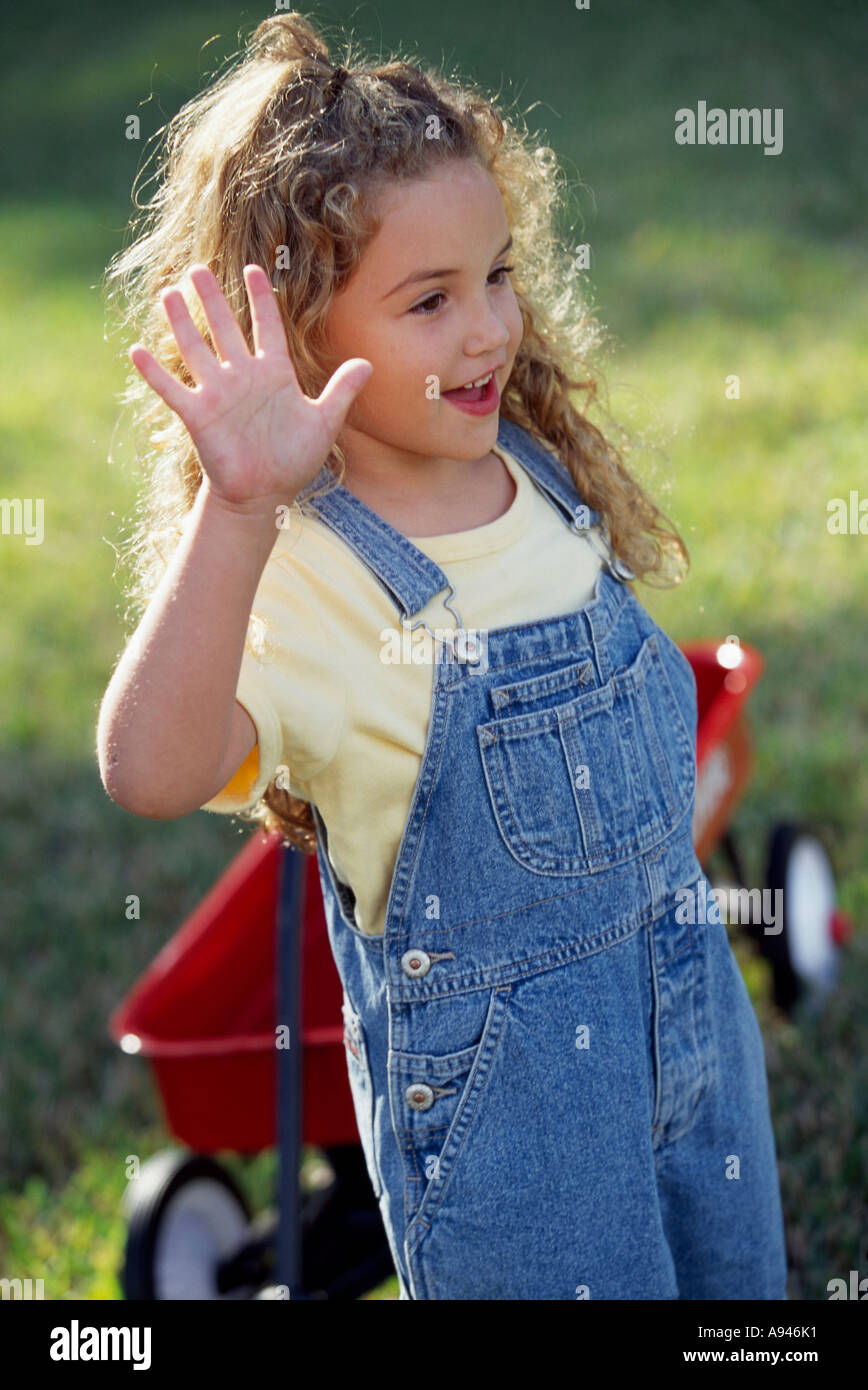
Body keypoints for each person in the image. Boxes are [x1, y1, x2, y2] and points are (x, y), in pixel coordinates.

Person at [96, 11, 788, 1300]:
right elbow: (147, 767)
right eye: (429, 301)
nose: (489, 331)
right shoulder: (303, 578)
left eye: (500, 275)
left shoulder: (530, 471)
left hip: (690, 1043)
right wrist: (238, 508)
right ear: (299, 333)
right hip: (515, 1132)